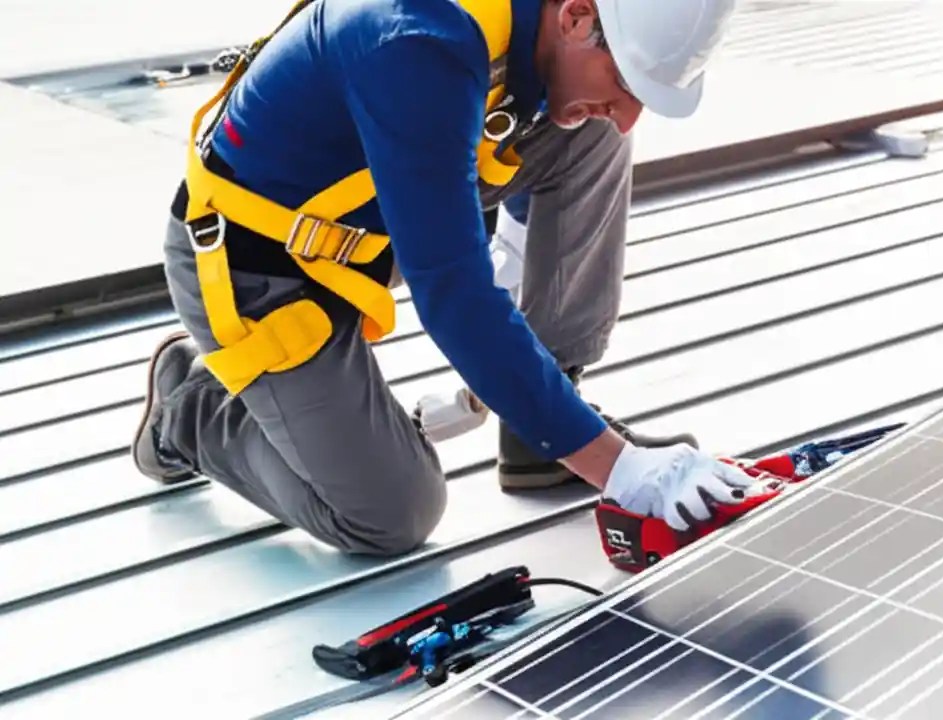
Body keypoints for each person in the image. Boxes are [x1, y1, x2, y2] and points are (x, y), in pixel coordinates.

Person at [130, 0, 760, 556]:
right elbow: (454, 294)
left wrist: (535, 372)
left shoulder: (528, 24)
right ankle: (189, 406)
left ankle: (543, 428)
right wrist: (620, 469)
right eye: (624, 82)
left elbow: (512, 140)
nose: (627, 116)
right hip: (260, 267)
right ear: (576, 16)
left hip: (367, 218)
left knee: (589, 134)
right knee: (393, 516)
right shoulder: (416, 43)